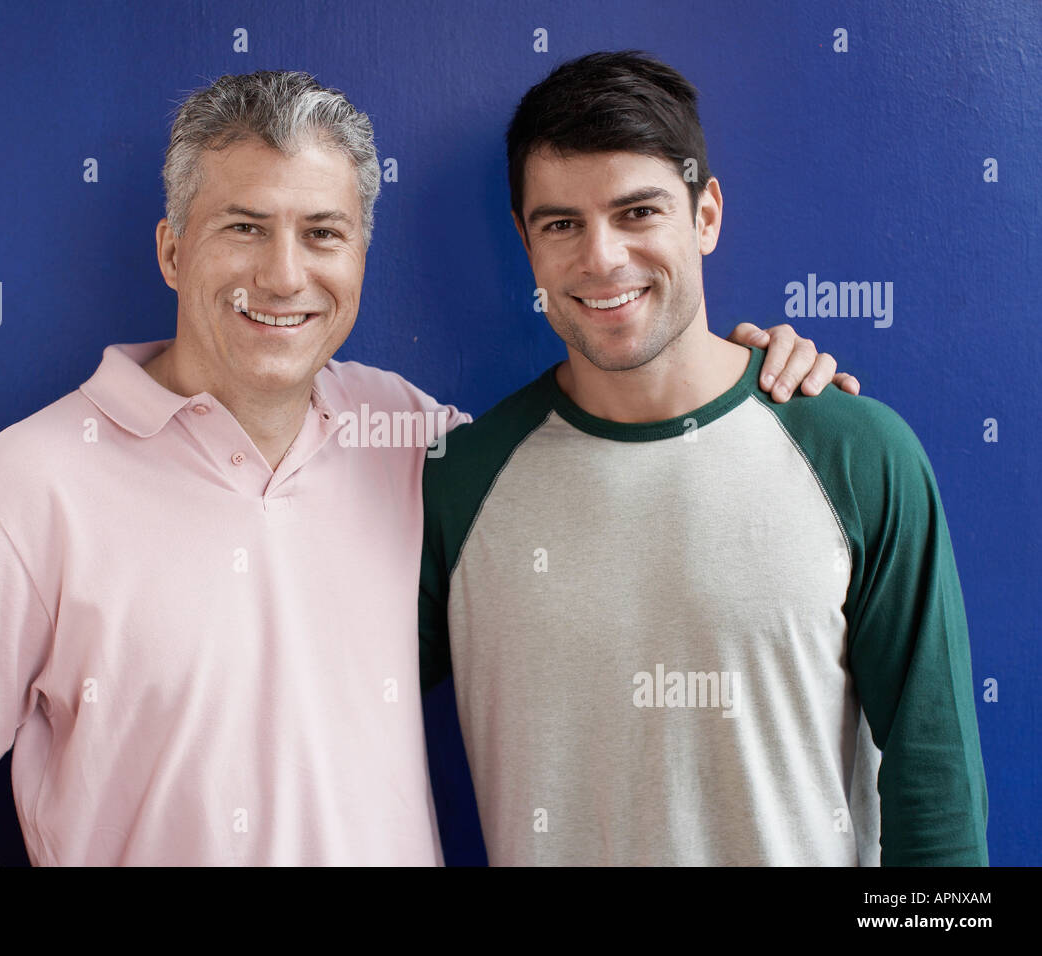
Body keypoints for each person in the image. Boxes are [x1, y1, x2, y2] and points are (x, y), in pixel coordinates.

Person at [0, 69, 852, 866]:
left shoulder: (417, 440)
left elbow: (601, 457)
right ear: (172, 249)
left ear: (361, 256)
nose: (285, 275)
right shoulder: (29, 485)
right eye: (243, 227)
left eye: (322, 233)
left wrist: (747, 376)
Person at [419, 51, 988, 866]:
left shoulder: (856, 453)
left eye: (638, 212)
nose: (602, 257)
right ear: (526, 242)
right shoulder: (459, 481)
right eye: (561, 224)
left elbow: (936, 797)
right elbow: (328, 721)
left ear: (706, 215)